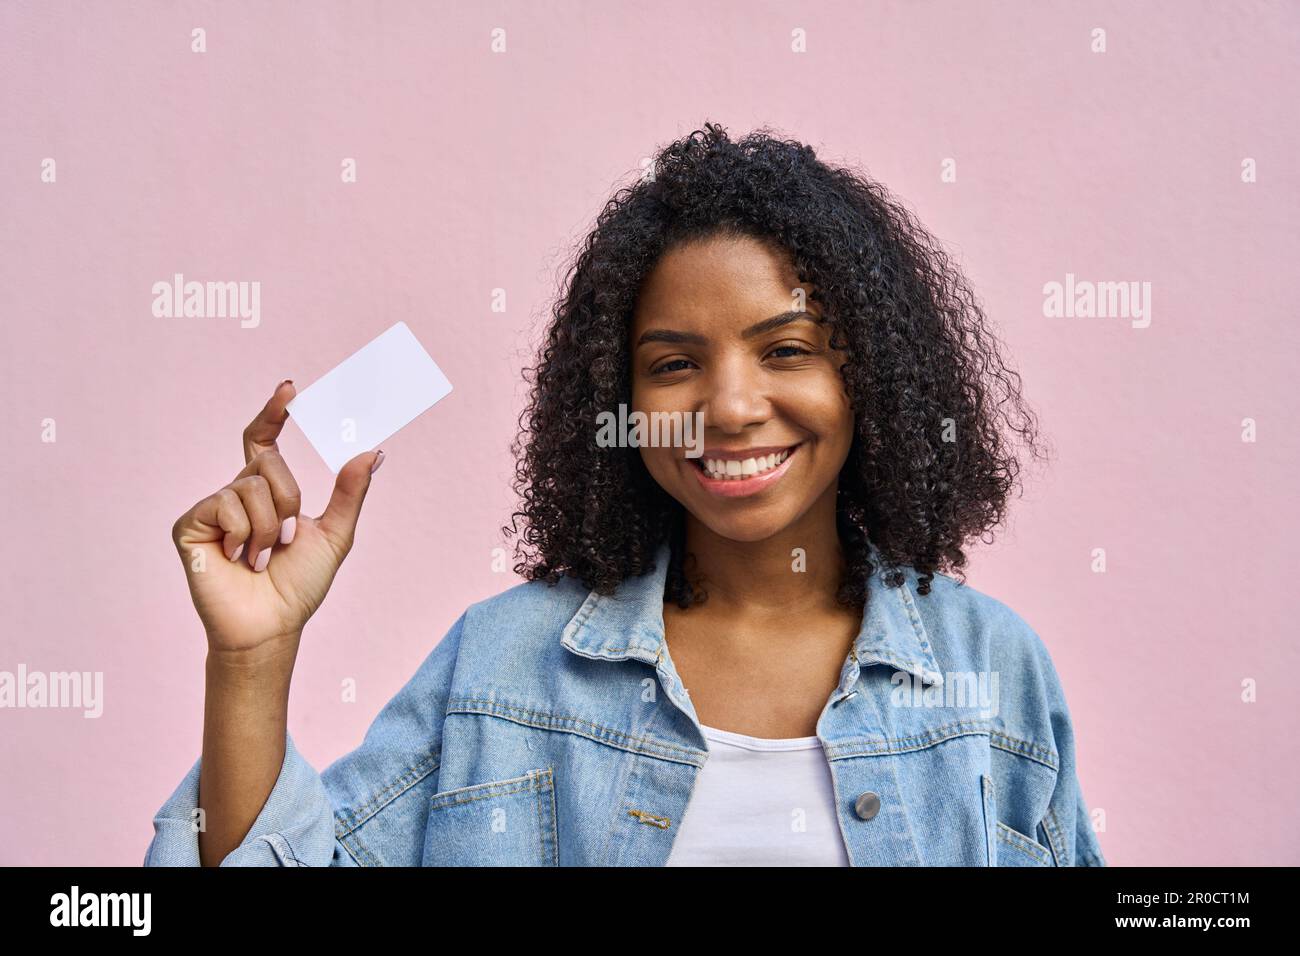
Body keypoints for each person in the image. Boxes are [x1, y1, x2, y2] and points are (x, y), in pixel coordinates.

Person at [146, 123, 1106, 867]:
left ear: (875, 379)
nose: (728, 408)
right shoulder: (505, 668)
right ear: (618, 400)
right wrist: (251, 658)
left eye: (786, 350)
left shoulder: (991, 670)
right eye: (675, 363)